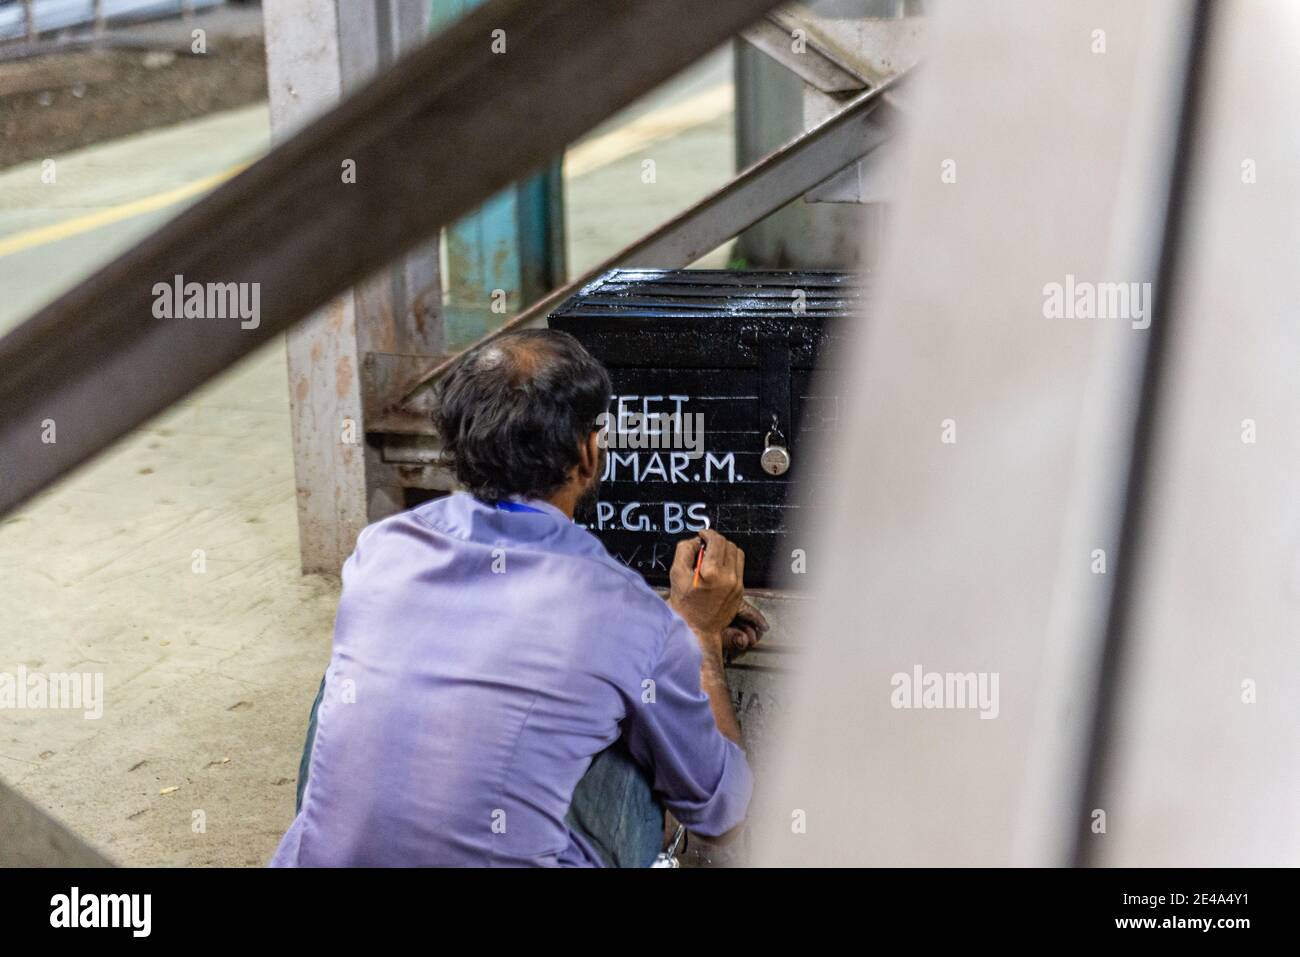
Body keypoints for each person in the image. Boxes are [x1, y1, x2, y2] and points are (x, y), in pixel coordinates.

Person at [271, 328, 765, 867]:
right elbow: (723, 811)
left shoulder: (381, 551)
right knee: (632, 720)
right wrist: (697, 640)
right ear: (586, 452)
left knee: (355, 684)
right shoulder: (624, 612)